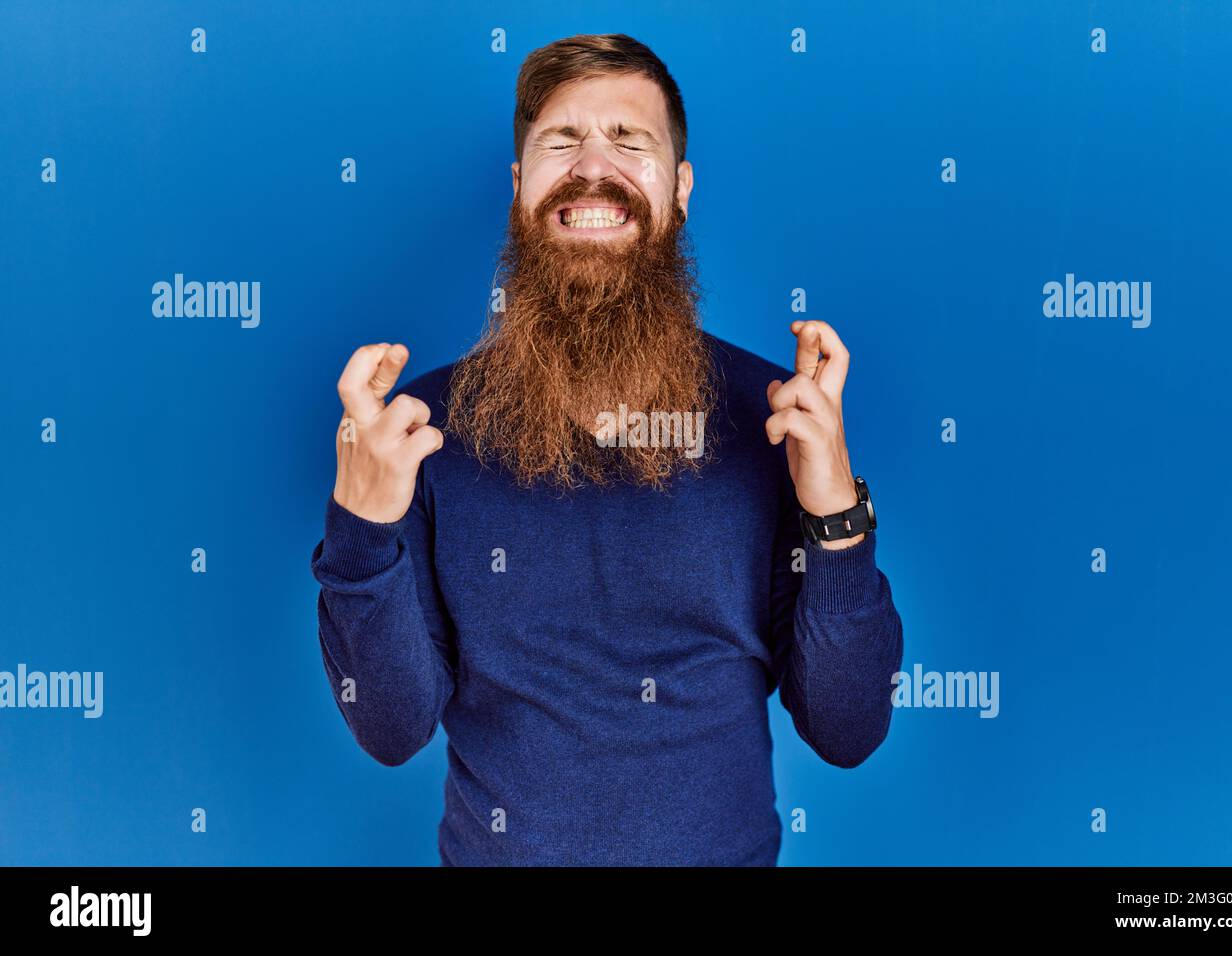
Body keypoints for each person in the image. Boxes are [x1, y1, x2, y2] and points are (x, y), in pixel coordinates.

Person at [310, 33, 903, 866]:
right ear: (519, 188)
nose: (594, 166)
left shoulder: (774, 419)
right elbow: (390, 728)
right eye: (560, 142)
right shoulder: (420, 433)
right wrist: (361, 527)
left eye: (630, 140)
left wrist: (835, 512)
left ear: (680, 188)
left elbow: (848, 729)